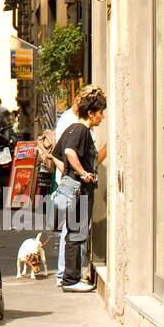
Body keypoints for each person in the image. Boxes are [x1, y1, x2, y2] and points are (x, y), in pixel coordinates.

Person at [53, 88, 107, 293]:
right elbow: (67, 152)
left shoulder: (72, 129)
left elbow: (57, 155)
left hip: (72, 188)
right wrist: (82, 174)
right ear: (91, 113)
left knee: (73, 233)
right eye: (100, 112)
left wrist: (67, 173)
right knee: (77, 233)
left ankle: (70, 277)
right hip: (80, 192)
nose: (102, 117)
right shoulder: (81, 130)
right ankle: (70, 279)